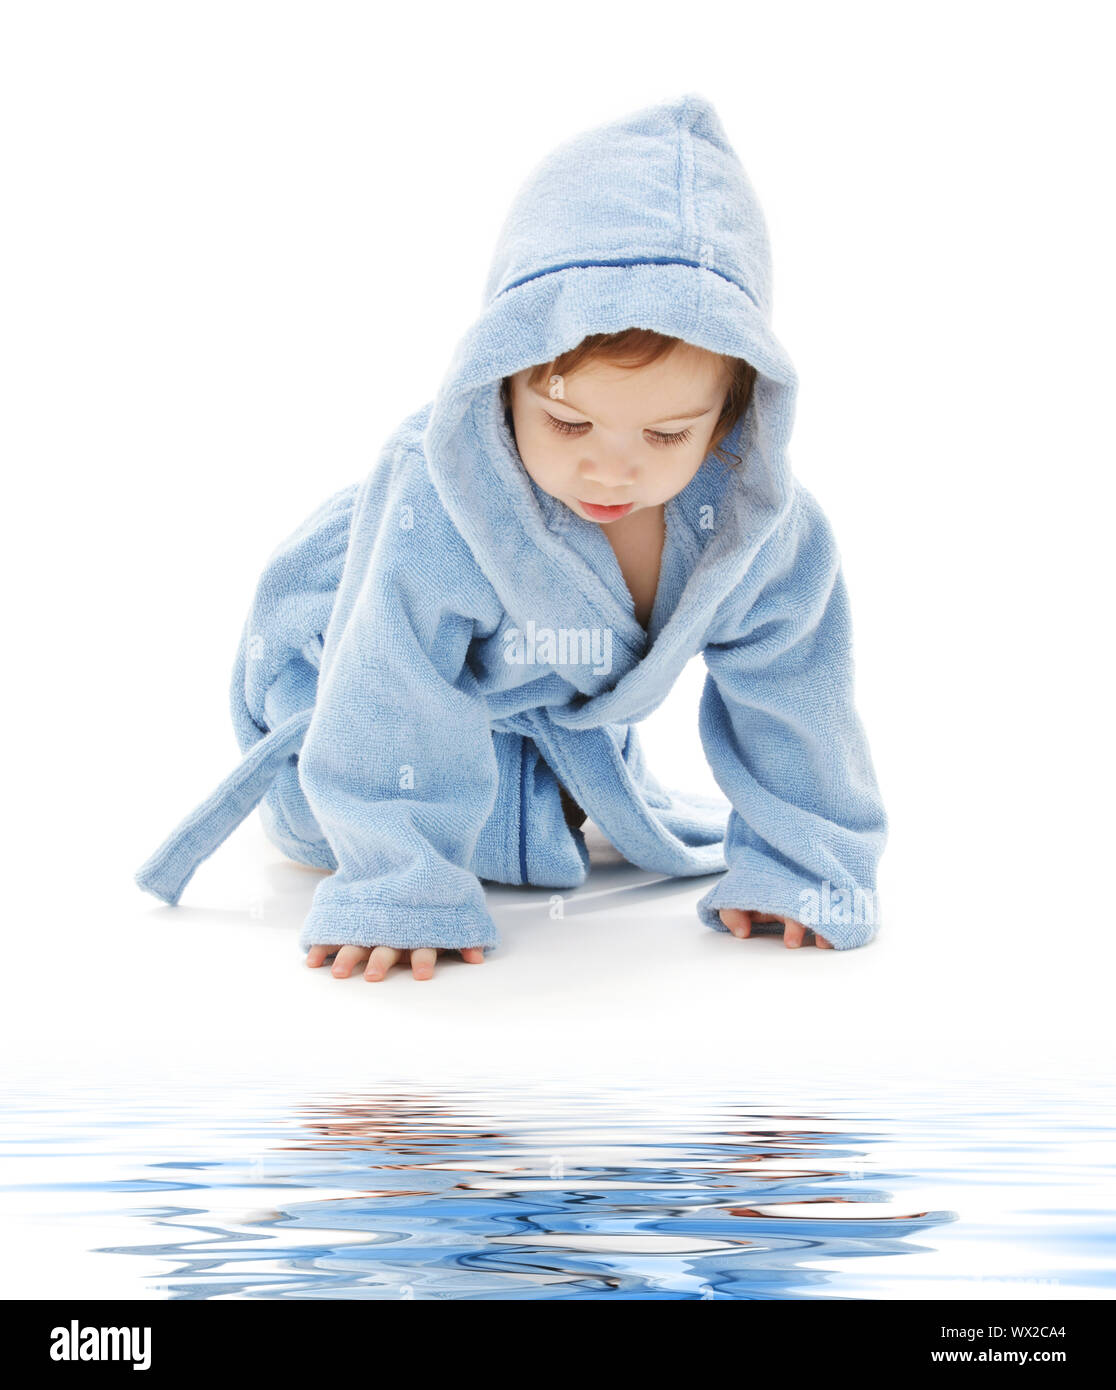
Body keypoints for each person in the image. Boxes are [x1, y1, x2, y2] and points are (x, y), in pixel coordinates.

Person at [135, 93, 888, 981]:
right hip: (340, 678)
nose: (612, 473)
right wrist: (399, 885)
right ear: (502, 383)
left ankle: (533, 785)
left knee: (548, 819)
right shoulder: (441, 501)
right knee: (358, 810)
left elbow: (799, 696)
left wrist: (807, 870)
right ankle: (388, 822)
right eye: (569, 425)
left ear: (730, 419)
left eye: (665, 435)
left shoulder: (757, 531)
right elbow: (392, 677)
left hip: (531, 699)